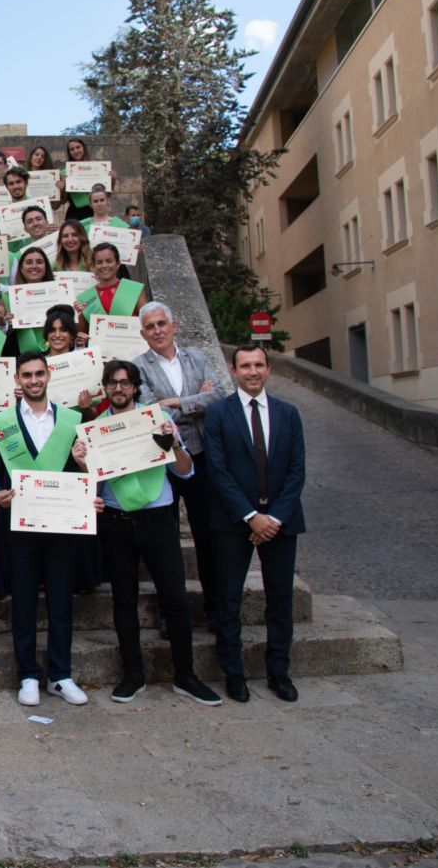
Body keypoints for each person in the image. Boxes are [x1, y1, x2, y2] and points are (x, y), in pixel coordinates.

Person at [80, 359, 222, 706]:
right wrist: (82, 461)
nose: (118, 388)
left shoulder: (158, 418)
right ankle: (133, 673)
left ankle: (185, 675)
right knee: (123, 601)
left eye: (125, 382)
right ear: (105, 388)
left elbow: (187, 472)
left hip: (159, 519)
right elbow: (91, 485)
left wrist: (173, 444)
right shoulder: (94, 428)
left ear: (136, 387)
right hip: (117, 520)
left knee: (174, 599)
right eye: (112, 383)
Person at [203, 344, 307, 704]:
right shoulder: (217, 414)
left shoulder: (289, 414)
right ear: (233, 370)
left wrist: (273, 517)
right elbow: (217, 469)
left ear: (268, 370)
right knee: (228, 600)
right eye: (245, 365)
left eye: (259, 365)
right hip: (234, 520)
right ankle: (234, 672)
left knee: (280, 599)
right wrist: (250, 515)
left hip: (281, 521)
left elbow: (297, 470)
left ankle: (279, 670)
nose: (252, 371)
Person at [0, 352, 89, 708]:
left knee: (61, 600)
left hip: (62, 523)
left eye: (39, 374)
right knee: (25, 601)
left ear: (49, 375)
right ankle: (28, 674)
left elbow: (83, 472)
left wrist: (85, 472)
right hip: (20, 523)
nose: (33, 380)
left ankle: (61, 675)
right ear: (17, 379)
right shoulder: (2, 422)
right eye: (27, 375)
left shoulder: (73, 420)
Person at [133, 302, 228, 631]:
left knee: (208, 535)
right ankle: (169, 612)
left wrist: (175, 402)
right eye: (150, 326)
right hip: (163, 460)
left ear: (173, 326)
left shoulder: (198, 358)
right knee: (165, 540)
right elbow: (149, 411)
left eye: (162, 324)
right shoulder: (138, 367)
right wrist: (193, 403)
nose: (157, 330)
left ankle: (216, 608)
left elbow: (220, 396)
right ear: (142, 333)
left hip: (201, 457)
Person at [78, 243, 147, 323]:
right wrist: (79, 315)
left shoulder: (134, 289)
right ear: (94, 266)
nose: (104, 265)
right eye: (99, 262)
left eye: (109, 261)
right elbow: (83, 332)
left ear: (118, 264)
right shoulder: (86, 297)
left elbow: (147, 321)